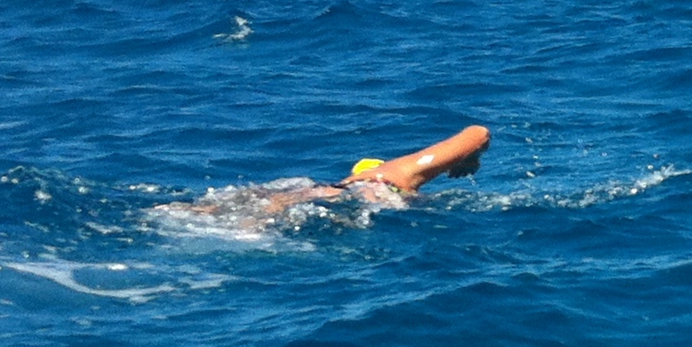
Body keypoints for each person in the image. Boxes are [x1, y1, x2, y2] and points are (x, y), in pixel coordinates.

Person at [169, 126, 492, 221]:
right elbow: (478, 133)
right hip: (373, 194)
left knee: (273, 200)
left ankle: (188, 211)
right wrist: (467, 162)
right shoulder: (400, 174)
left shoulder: (352, 179)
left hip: (325, 188)